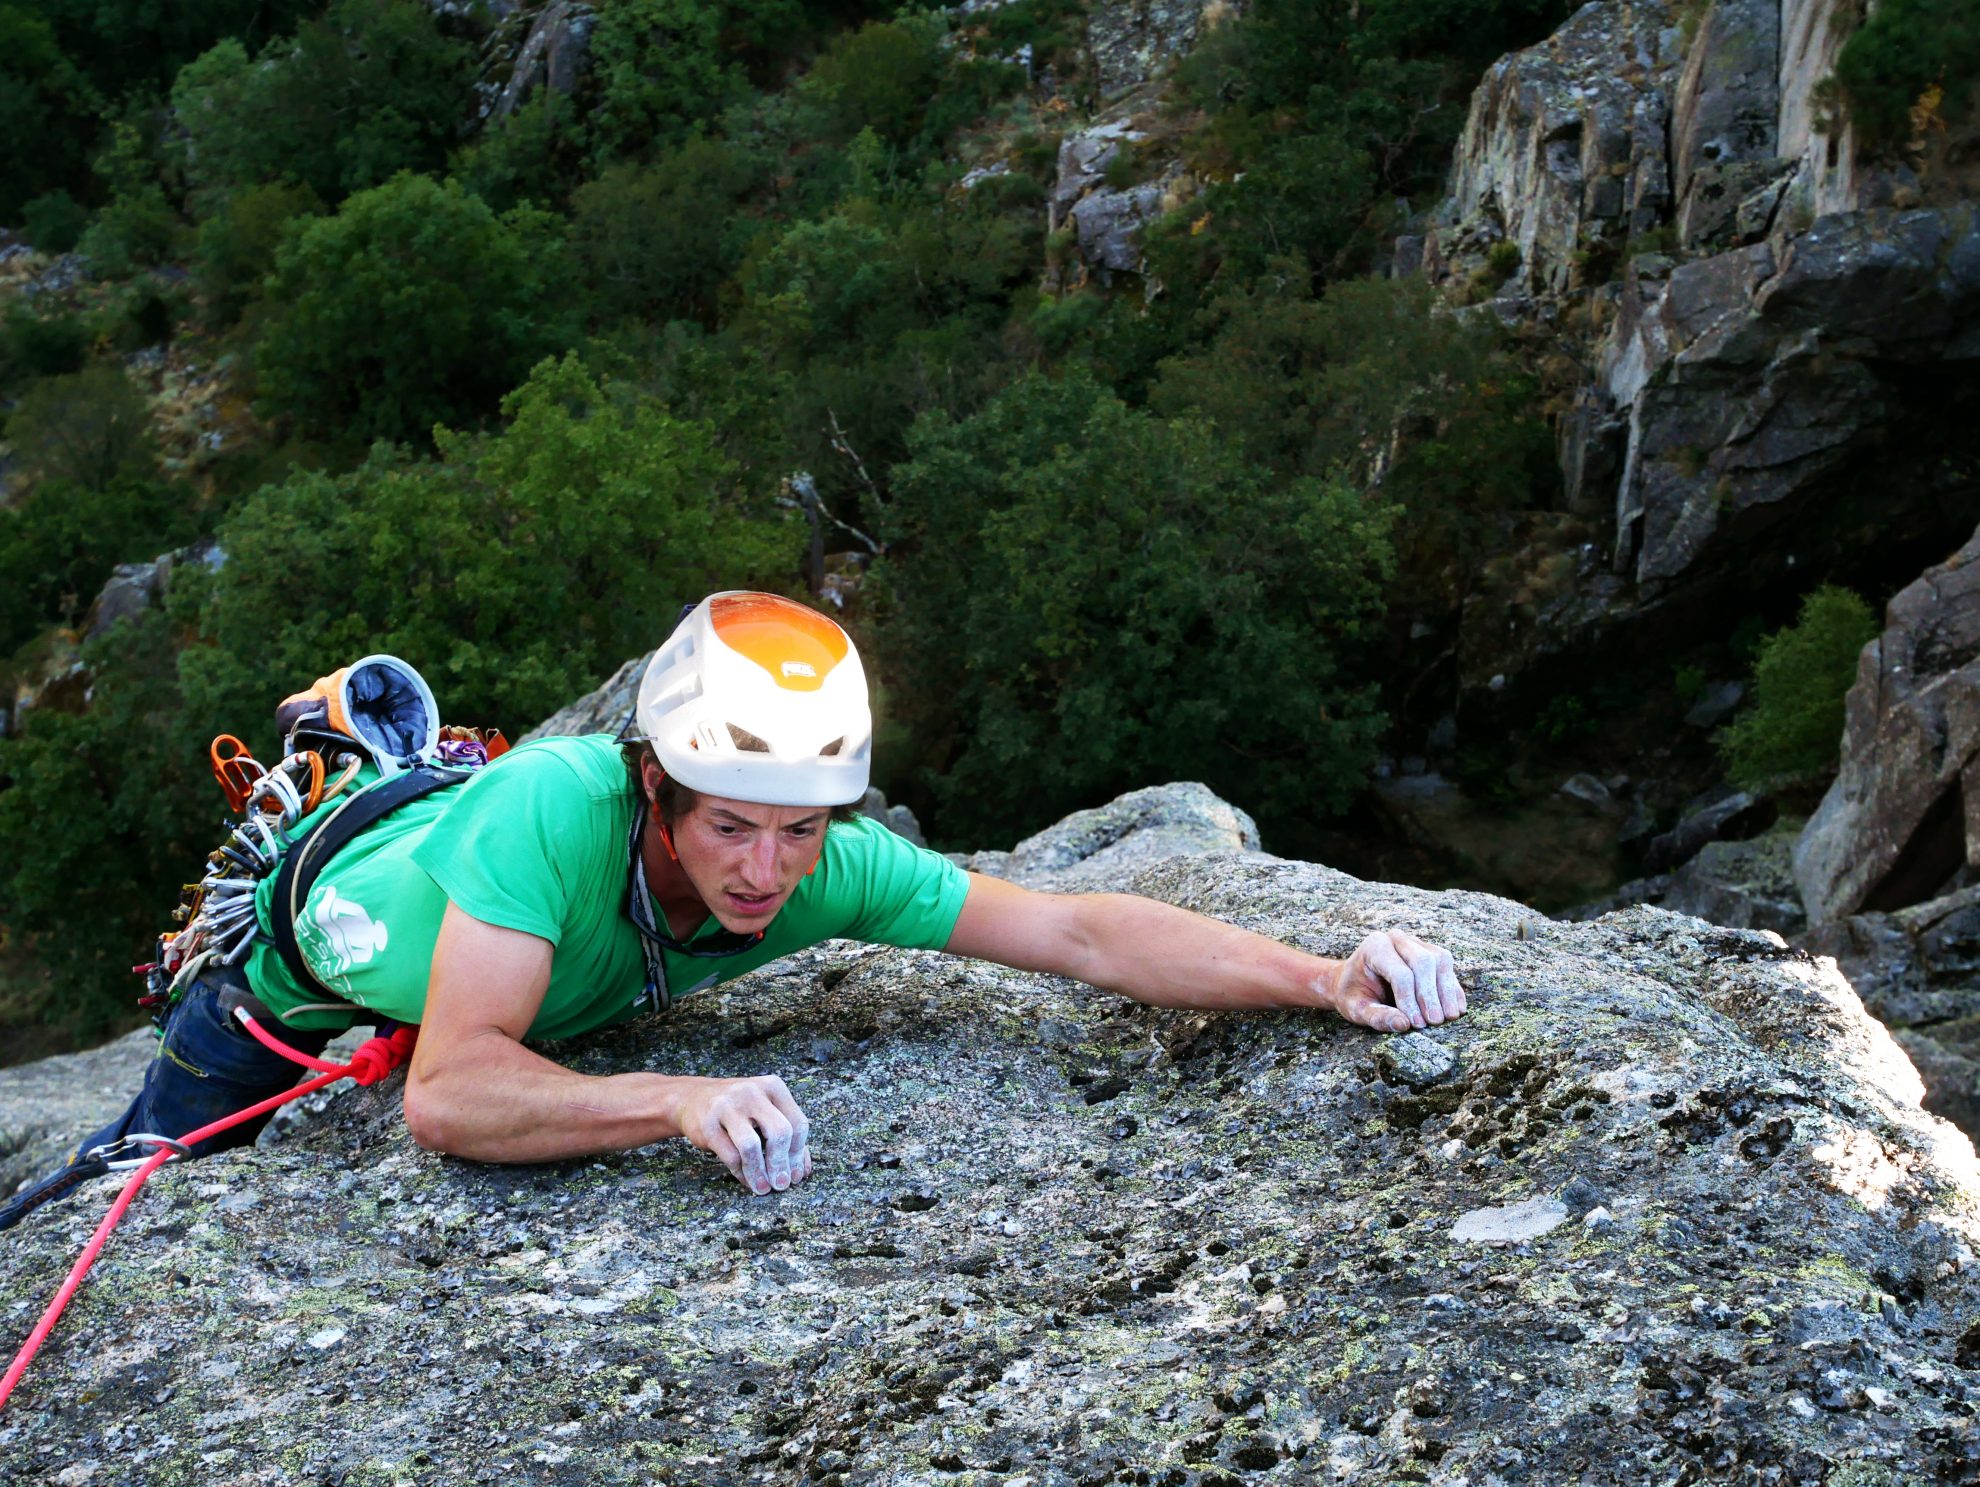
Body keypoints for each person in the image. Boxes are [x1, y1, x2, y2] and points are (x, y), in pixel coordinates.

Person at [1, 592, 1462, 1225]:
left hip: (470, 947)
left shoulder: (824, 865)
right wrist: (678, 1102)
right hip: (285, 991)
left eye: (800, 832)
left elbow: (1072, 930)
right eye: (731, 828)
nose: (767, 872)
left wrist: (1318, 976)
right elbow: (445, 1094)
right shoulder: (551, 809)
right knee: (124, 1184)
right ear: (653, 787)